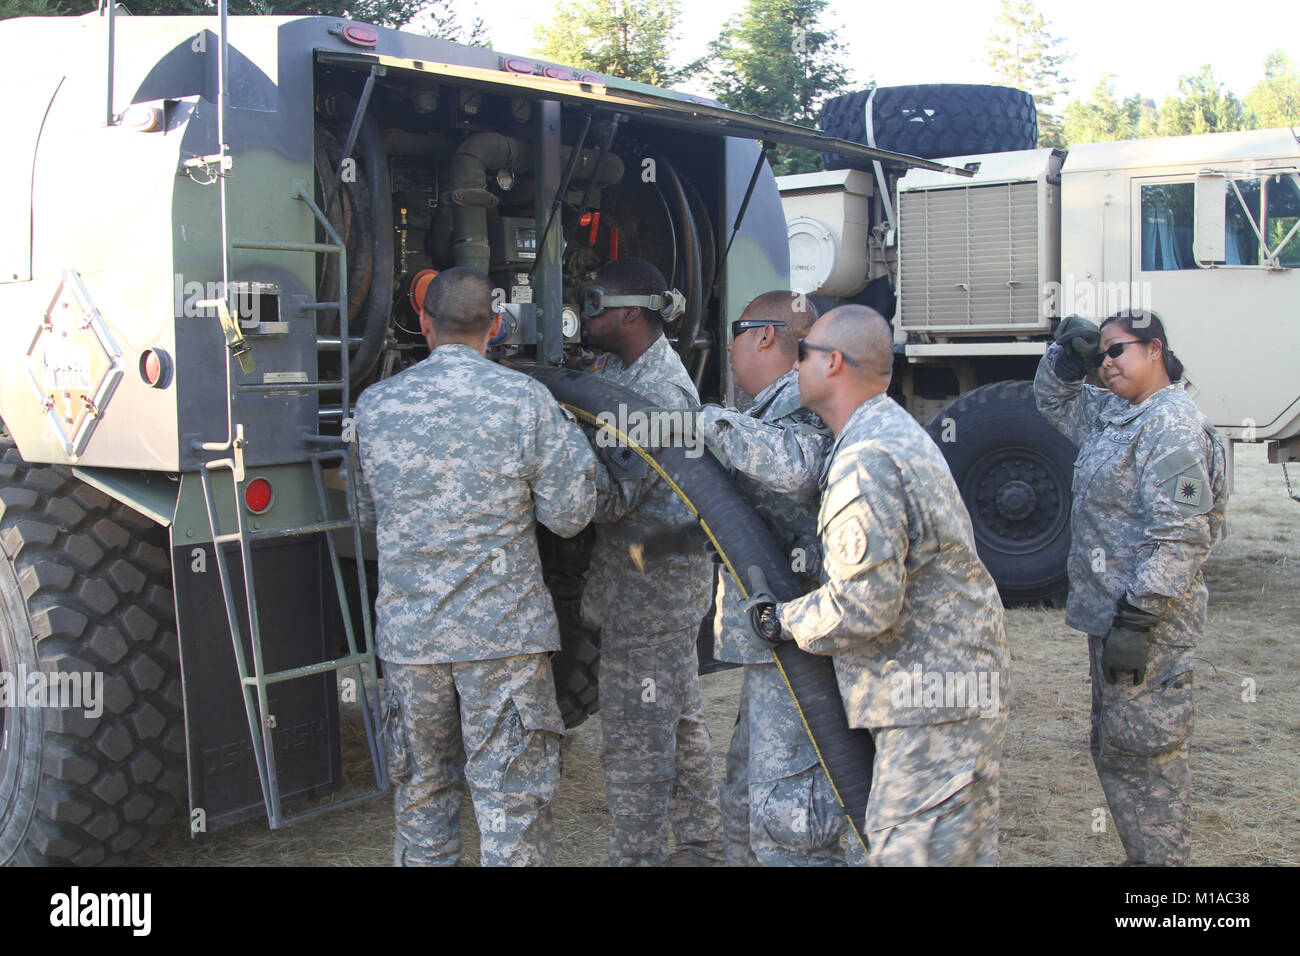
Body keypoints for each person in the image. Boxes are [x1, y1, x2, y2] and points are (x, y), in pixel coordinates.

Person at [743, 304, 1010, 867]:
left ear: (833, 363)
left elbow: (864, 604)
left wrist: (782, 620)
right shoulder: (882, 433)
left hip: (932, 707)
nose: (794, 366)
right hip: (937, 698)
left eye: (804, 353)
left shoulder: (865, 461)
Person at [353, 267, 598, 866]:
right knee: (512, 806)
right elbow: (570, 515)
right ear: (494, 326)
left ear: (423, 324)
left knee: (423, 800)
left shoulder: (376, 405)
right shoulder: (524, 400)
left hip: (413, 645)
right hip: (504, 642)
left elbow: (365, 514)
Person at [1034, 310, 1227, 866]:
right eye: (1100, 355)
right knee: (1117, 750)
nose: (1107, 363)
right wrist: (1066, 358)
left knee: (1146, 758)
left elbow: (1182, 535)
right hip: (1113, 621)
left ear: (1156, 350)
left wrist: (1140, 620)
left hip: (1148, 628)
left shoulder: (1172, 428)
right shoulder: (1116, 412)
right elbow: (1054, 400)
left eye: (1117, 351)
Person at [682, 290, 844, 866]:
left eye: (738, 329)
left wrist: (697, 420)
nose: (729, 344)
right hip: (775, 641)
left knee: (786, 812)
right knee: (746, 791)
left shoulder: (805, 405)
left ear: (768, 334)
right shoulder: (765, 411)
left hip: (803, 640)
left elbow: (798, 467)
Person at [579, 257, 724, 866]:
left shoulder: (653, 394)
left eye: (594, 305)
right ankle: (703, 850)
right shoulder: (624, 370)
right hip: (659, 590)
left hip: (649, 599)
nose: (583, 316)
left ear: (630, 314)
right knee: (681, 726)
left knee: (638, 746)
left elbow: (607, 499)